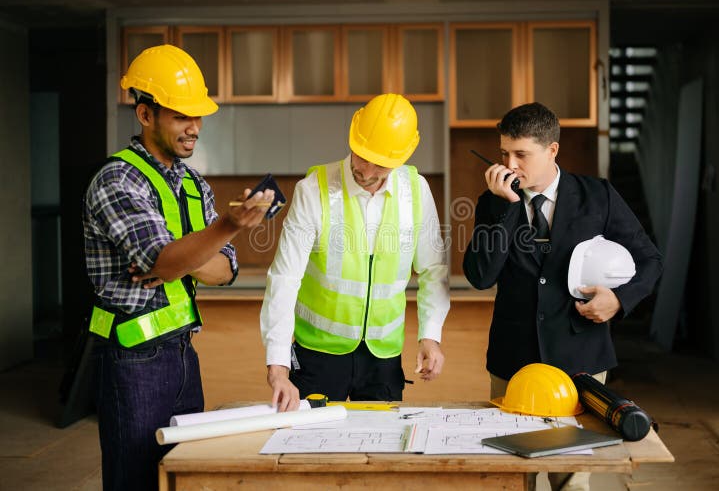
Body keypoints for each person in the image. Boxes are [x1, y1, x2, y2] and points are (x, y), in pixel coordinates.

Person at [83, 44, 272, 491]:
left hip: (184, 354)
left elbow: (225, 271)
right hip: (132, 360)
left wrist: (181, 260)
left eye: (198, 116)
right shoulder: (118, 180)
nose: (194, 128)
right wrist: (221, 230)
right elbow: (164, 261)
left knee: (182, 475)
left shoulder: (193, 184)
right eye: (180, 116)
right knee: (136, 479)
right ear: (146, 115)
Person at [462, 102, 662, 491]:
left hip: (580, 359)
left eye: (521, 154)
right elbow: (480, 276)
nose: (510, 163)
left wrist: (619, 300)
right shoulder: (493, 200)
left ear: (552, 150)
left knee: (571, 479)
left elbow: (650, 259)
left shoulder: (598, 196)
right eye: (505, 153)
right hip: (513, 360)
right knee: (513, 476)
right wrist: (504, 210)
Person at [261, 93, 450, 411]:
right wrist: (278, 366)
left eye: (381, 163)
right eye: (362, 155)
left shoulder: (416, 191)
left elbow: (434, 270)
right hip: (317, 356)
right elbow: (285, 277)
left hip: (384, 359)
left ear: (402, 158)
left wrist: (430, 335)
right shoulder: (314, 190)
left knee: (381, 454)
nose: (367, 169)